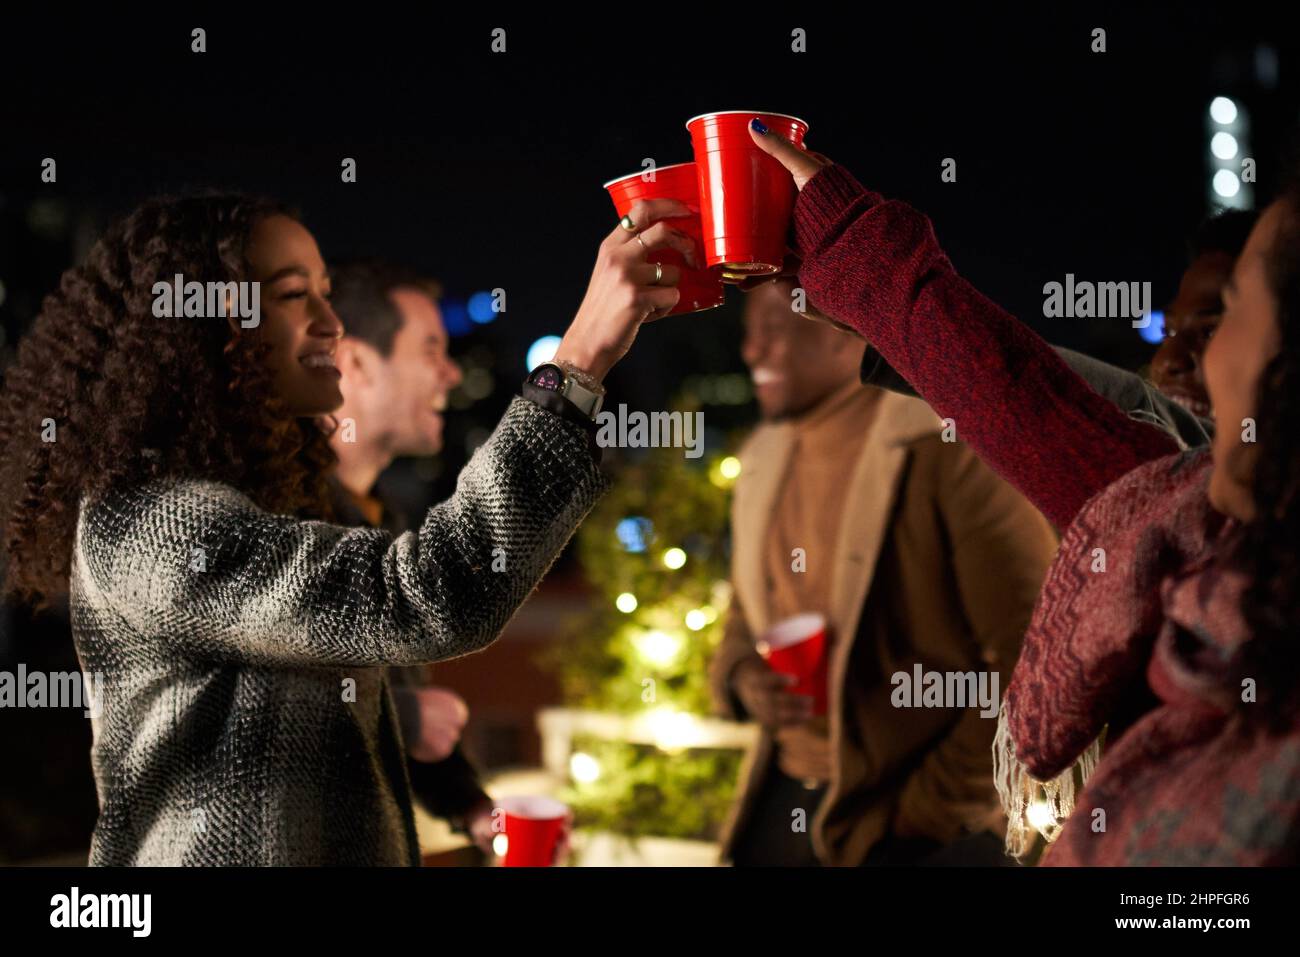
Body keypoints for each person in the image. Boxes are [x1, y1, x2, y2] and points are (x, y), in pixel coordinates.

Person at [0, 191, 696, 865]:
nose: (332, 322)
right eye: (293, 293)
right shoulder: (155, 523)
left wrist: (459, 796)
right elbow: (424, 595)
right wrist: (574, 367)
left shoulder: (274, 505)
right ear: (202, 324)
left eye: (326, 290)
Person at [748, 119, 1300, 864]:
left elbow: (1030, 405)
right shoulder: (1193, 527)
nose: (1180, 351)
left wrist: (915, 820)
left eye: (1228, 311)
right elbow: (1027, 397)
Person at [710, 278, 1057, 866]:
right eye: (750, 332)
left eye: (774, 329)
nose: (752, 351)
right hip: (788, 796)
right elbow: (747, 608)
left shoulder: (949, 446)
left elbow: (1033, 658)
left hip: (918, 825)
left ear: (845, 332)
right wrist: (744, 676)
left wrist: (924, 814)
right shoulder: (762, 457)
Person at [326, 261, 491, 856]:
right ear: (356, 363)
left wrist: (474, 808)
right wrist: (393, 717)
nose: (450, 373)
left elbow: (405, 705)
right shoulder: (280, 521)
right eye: (430, 349)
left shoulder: (386, 522)